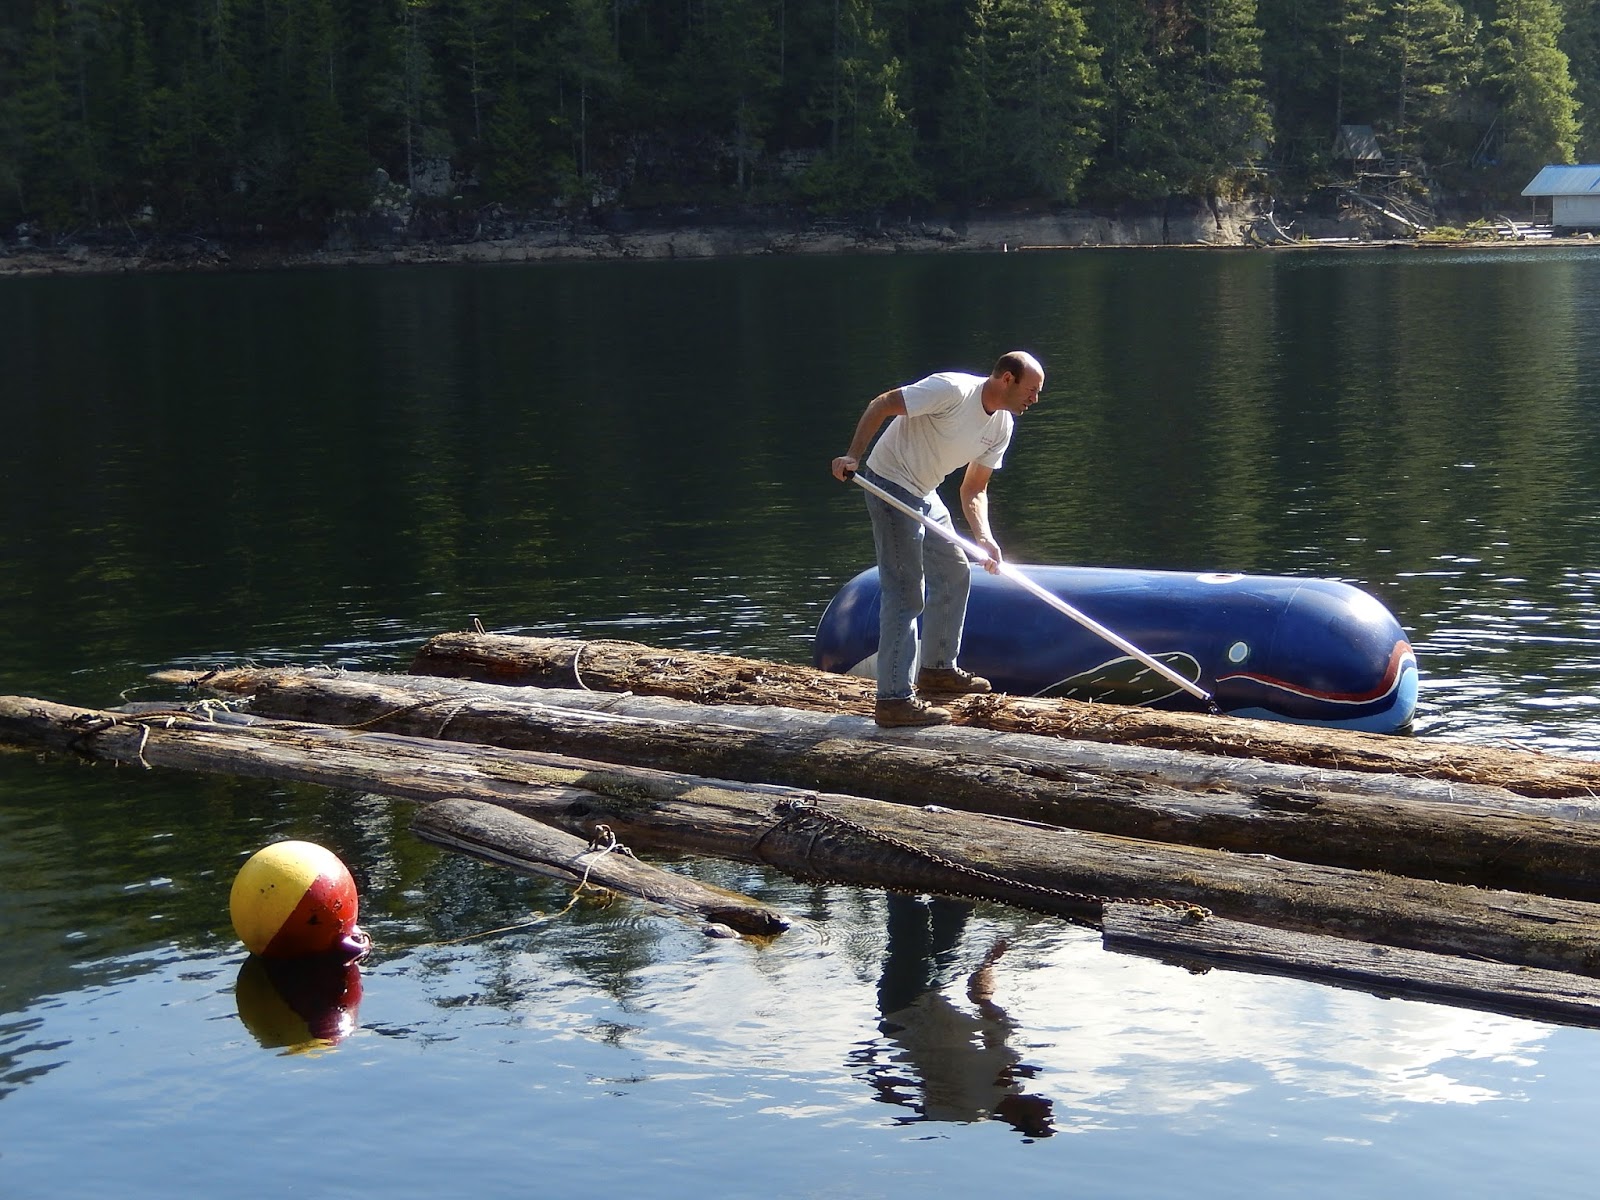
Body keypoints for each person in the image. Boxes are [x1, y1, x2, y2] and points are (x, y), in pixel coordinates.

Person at [831, 351, 1045, 728]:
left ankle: (937, 669)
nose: (1034, 399)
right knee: (904, 590)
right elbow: (883, 404)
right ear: (1007, 379)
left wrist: (985, 538)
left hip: (925, 492)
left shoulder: (1001, 426)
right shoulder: (951, 389)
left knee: (954, 570)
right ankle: (893, 699)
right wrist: (852, 456)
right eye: (1031, 390)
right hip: (889, 485)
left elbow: (974, 489)